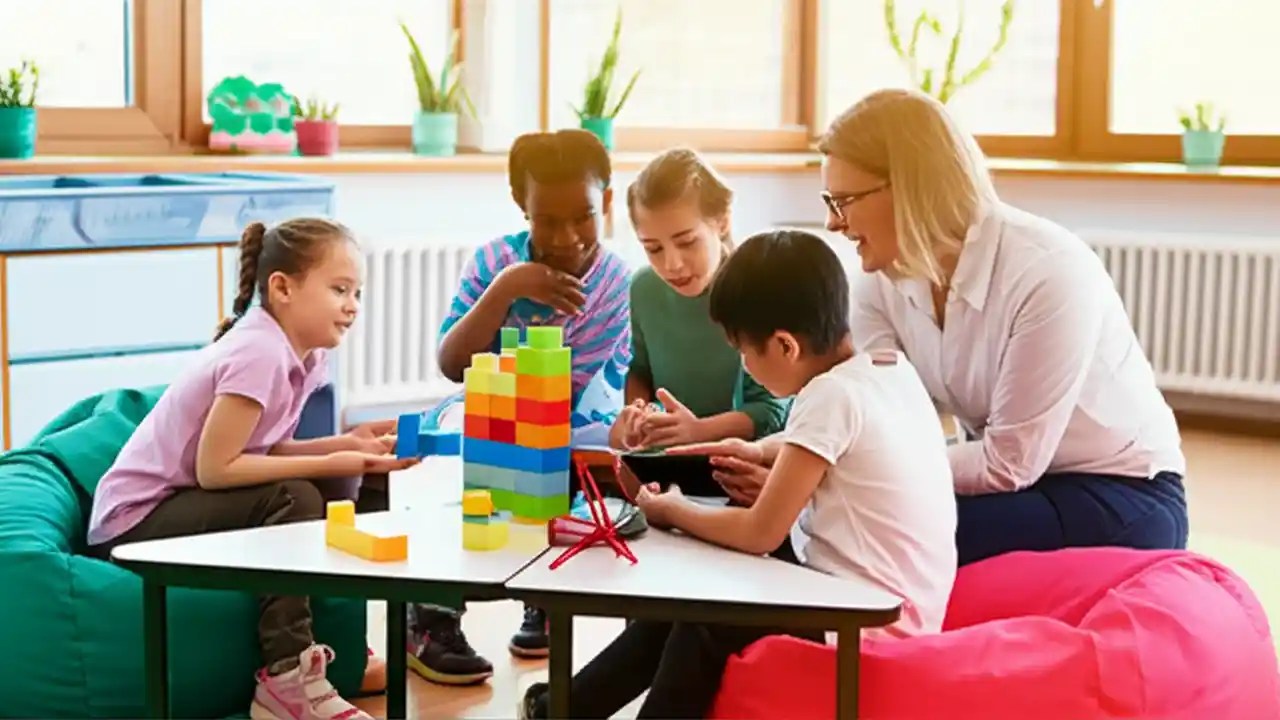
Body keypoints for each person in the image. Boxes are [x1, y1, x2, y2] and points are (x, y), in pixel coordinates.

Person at [519, 229, 957, 719]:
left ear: (786, 346)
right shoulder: (885, 365)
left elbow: (759, 533)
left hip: (867, 620)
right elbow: (832, 444)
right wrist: (755, 449)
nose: (745, 366)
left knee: (704, 618)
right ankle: (568, 706)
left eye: (745, 354)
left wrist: (673, 510)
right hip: (904, 603)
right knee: (693, 601)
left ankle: (572, 707)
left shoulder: (827, 397)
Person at [805, 87, 1186, 566]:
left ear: (910, 187)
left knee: (872, 534)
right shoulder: (879, 282)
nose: (831, 223)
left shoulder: (1047, 273)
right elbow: (882, 418)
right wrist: (792, 457)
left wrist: (842, 470)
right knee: (832, 514)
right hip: (1008, 478)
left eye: (843, 200)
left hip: (1116, 493)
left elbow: (1008, 464)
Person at [87, 218, 419, 720]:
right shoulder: (259, 351)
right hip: (135, 523)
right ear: (282, 288)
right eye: (339, 289)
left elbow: (268, 448)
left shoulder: (302, 355)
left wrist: (349, 444)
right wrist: (335, 458)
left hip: (182, 503)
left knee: (333, 480)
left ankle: (338, 641)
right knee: (298, 497)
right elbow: (216, 469)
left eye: (357, 292)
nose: (353, 305)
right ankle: (286, 680)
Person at [406, 129, 634, 683]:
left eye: (582, 216)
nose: (566, 237)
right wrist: (506, 289)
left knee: (589, 455)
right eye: (547, 220)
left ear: (605, 202)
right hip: (490, 409)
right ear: (520, 206)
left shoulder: (619, 282)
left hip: (574, 420)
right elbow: (451, 363)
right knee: (455, 460)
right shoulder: (495, 263)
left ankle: (547, 597)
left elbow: (619, 379)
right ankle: (433, 615)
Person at [608, 148, 789, 454]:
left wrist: (699, 431)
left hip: (744, 462)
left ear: (722, 221)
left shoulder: (761, 290)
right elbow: (639, 370)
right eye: (653, 248)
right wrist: (637, 412)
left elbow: (773, 411)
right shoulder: (642, 289)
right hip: (668, 461)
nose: (672, 264)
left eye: (687, 242)